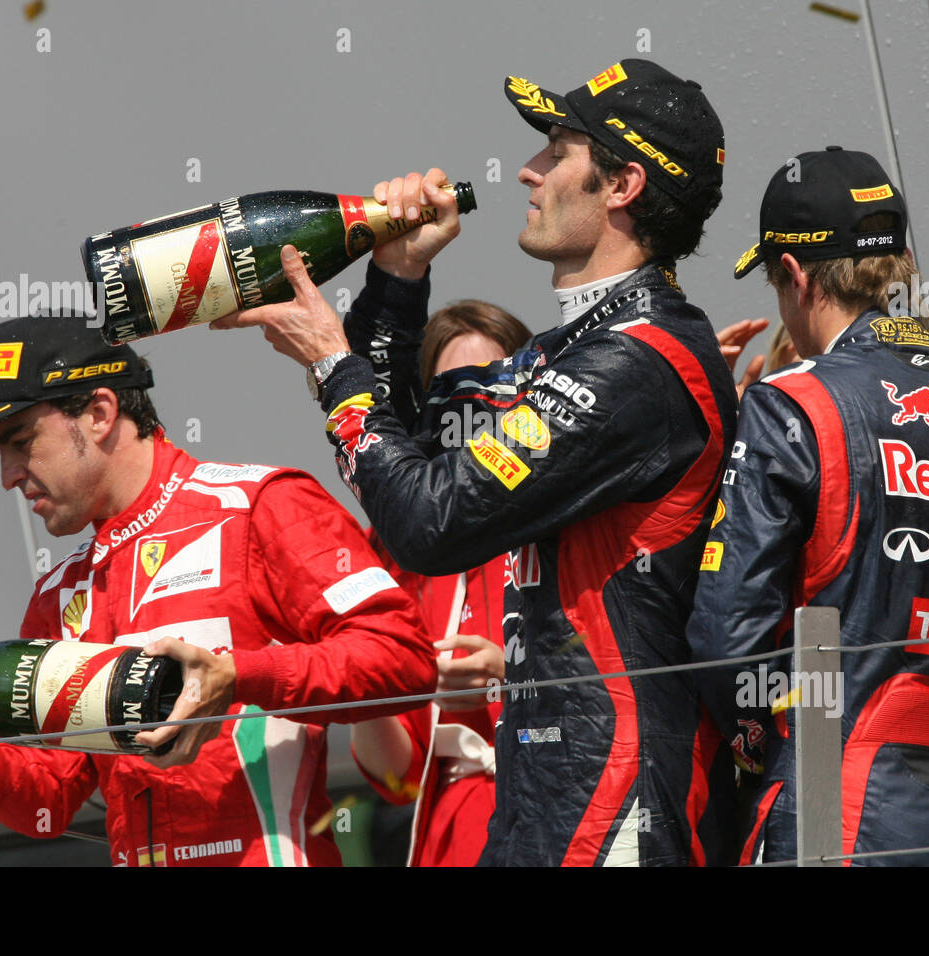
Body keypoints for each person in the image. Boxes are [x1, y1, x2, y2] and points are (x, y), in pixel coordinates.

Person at [214, 58, 740, 866]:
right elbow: (419, 456)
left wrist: (330, 363)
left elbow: (430, 523)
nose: (528, 172)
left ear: (623, 184)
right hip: (548, 791)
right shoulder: (580, 349)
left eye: (557, 152)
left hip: (617, 796)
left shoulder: (641, 362)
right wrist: (398, 275)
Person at [0, 315, 436, 867]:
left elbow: (405, 659)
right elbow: (47, 803)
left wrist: (235, 676)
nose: (7, 475)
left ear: (101, 412)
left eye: (20, 440)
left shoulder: (257, 505)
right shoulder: (59, 592)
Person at [687, 146, 929, 865]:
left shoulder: (793, 406)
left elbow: (725, 638)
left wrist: (757, 752)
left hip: (842, 812)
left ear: (796, 278)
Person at [351, 301, 529, 867]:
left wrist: (512, 674)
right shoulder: (400, 547)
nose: (475, 409)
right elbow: (396, 779)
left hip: (573, 807)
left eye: (494, 385)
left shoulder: (579, 513)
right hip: (457, 833)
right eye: (453, 390)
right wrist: (363, 675)